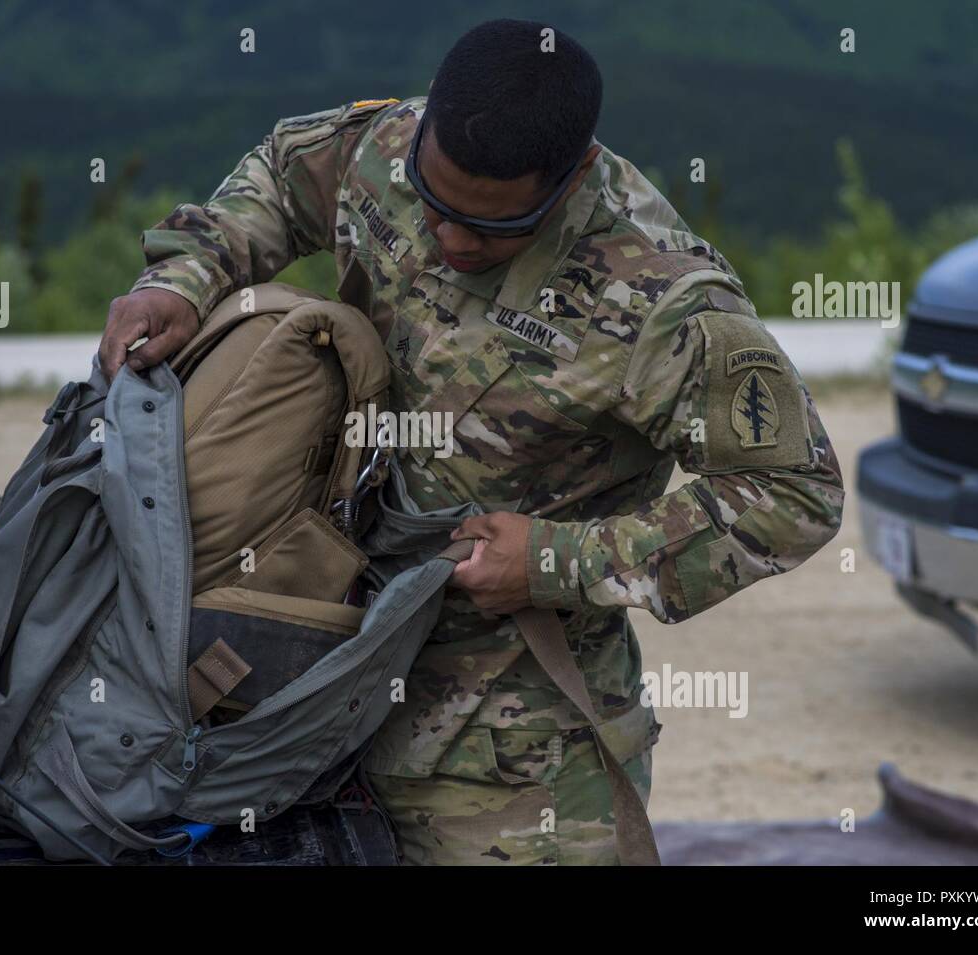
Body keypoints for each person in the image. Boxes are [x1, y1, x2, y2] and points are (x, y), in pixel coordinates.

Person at [98, 18, 843, 865]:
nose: (450, 241)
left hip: (513, 757)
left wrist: (561, 558)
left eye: (489, 231)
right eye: (433, 203)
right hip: (323, 688)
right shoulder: (386, 144)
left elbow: (797, 492)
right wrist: (183, 278)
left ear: (575, 176)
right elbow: (277, 174)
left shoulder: (663, 300)